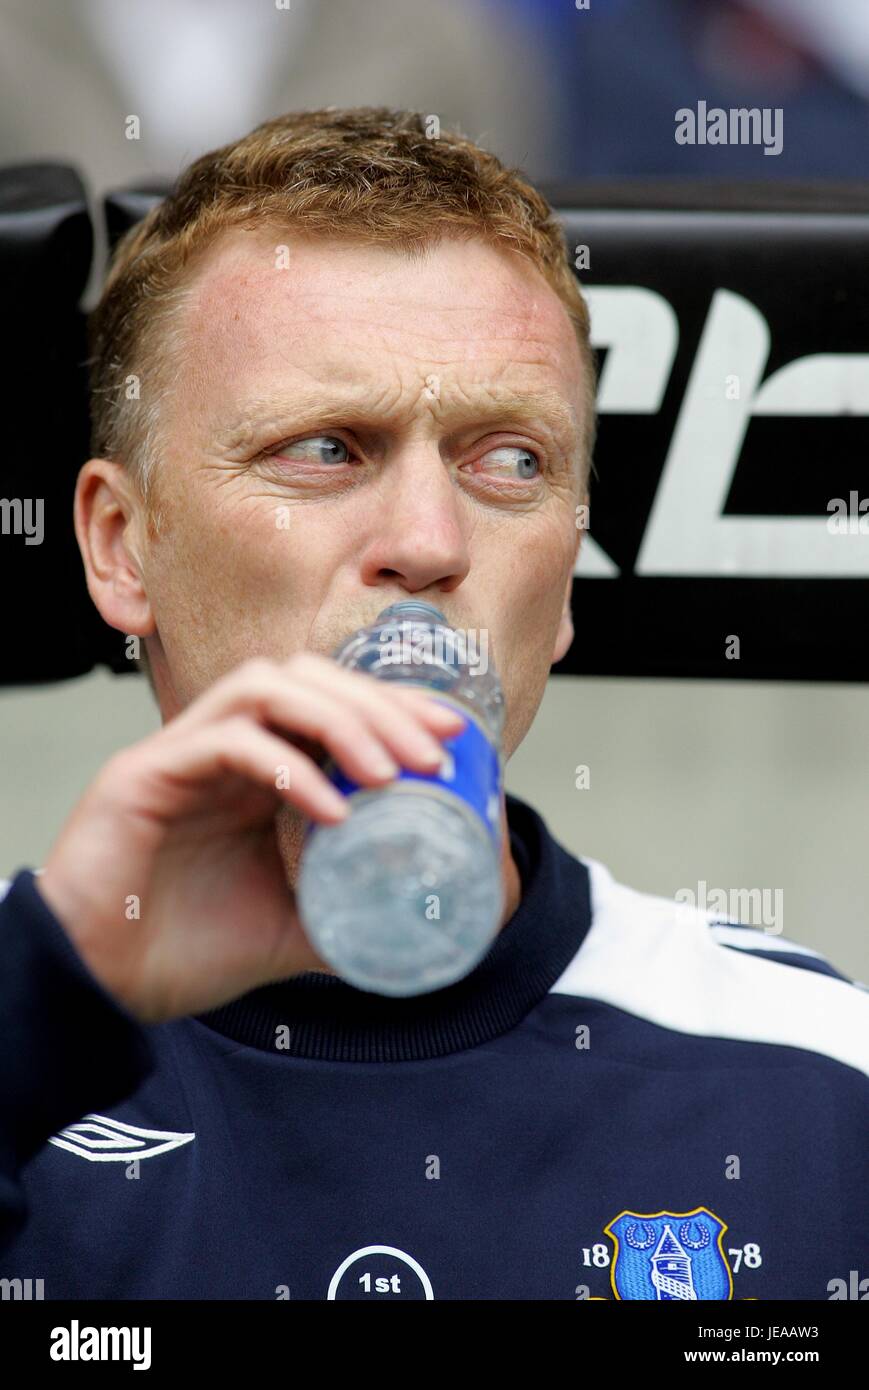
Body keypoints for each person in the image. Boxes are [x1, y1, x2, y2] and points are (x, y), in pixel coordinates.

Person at [0, 107, 865, 1302]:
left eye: (508, 461)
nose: (427, 543)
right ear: (121, 546)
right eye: (324, 448)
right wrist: (41, 1007)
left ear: (564, 575)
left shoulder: (817, 1080)